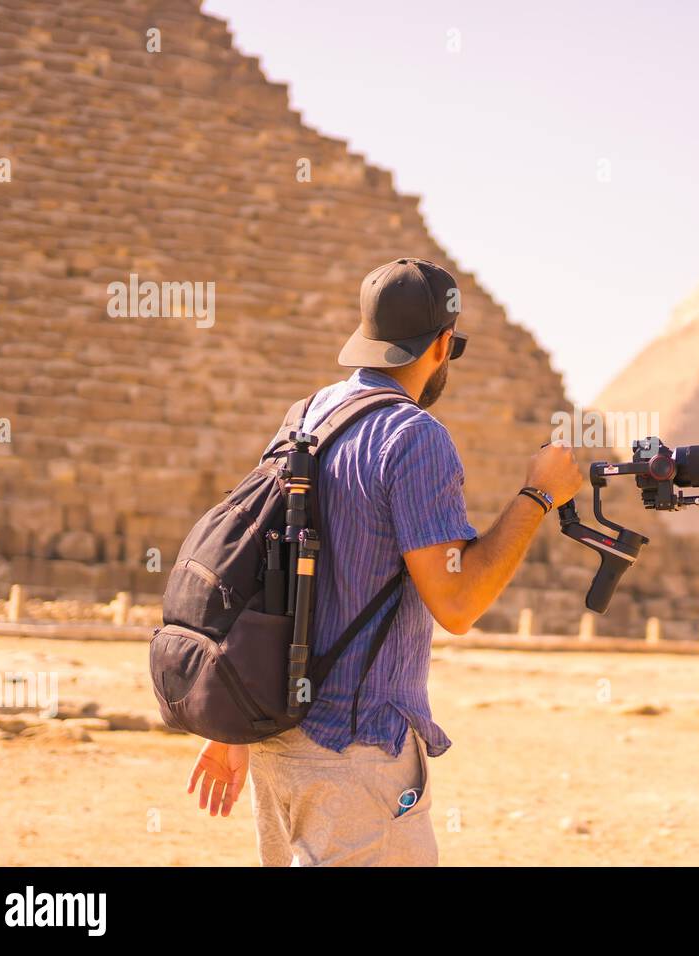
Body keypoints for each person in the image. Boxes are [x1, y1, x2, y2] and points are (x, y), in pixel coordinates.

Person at [184, 258, 583, 866]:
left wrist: (231, 727)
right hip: (356, 755)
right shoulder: (414, 437)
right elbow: (456, 603)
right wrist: (537, 496)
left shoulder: (303, 419)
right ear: (444, 344)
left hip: (277, 739)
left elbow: (261, 572)